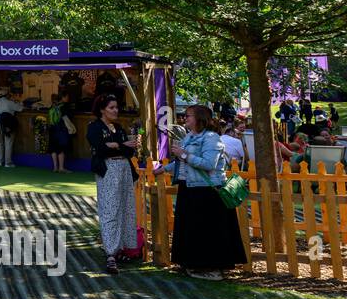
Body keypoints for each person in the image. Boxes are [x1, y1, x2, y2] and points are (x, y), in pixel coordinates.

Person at [157, 104, 245, 280]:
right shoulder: (189, 137)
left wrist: (183, 155)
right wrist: (164, 169)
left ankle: (212, 269)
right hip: (190, 188)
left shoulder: (212, 138)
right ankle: (194, 265)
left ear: (199, 118)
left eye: (188, 115)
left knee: (208, 232)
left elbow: (208, 164)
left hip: (207, 192)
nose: (184, 118)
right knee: (193, 230)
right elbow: (182, 163)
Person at [86, 93, 138, 275]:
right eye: (111, 108)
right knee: (110, 209)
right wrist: (119, 145)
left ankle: (122, 248)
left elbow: (129, 151)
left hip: (124, 168)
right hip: (108, 169)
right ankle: (110, 252)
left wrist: (116, 145)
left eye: (116, 107)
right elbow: (99, 148)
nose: (116, 111)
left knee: (126, 208)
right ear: (102, 109)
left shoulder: (118, 127)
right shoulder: (94, 127)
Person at [0, 87, 23, 168]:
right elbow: (20, 108)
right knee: (8, 143)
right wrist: (19, 102)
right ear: (7, 95)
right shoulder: (10, 103)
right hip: (8, 126)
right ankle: (8, 163)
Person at [47, 94, 73, 173]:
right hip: (61, 129)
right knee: (61, 149)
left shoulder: (51, 107)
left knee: (53, 148)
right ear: (61, 98)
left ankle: (55, 167)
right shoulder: (63, 107)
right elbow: (69, 117)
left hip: (52, 129)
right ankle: (61, 168)